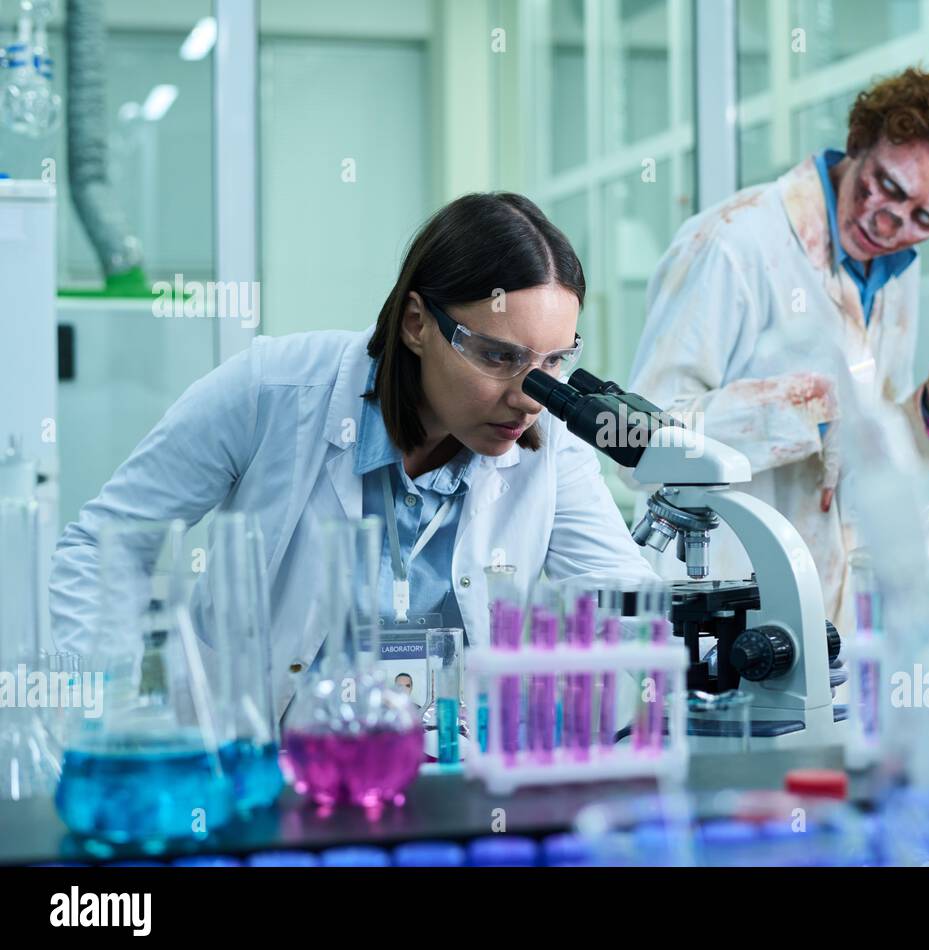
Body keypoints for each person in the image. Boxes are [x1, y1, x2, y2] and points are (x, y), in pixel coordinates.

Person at [51, 193, 653, 718]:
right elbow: (103, 550)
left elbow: (631, 607)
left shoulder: (548, 447)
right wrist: (108, 726)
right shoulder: (273, 390)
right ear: (417, 323)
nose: (529, 397)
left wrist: (712, 674)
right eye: (498, 357)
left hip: (449, 779)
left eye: (553, 362)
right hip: (267, 769)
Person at [626, 68, 929, 634]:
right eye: (887, 185)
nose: (889, 222)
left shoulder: (898, 274)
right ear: (860, 143)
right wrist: (815, 409)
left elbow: (864, 459)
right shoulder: (733, 243)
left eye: (924, 218)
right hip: (714, 604)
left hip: (827, 613)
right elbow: (643, 443)